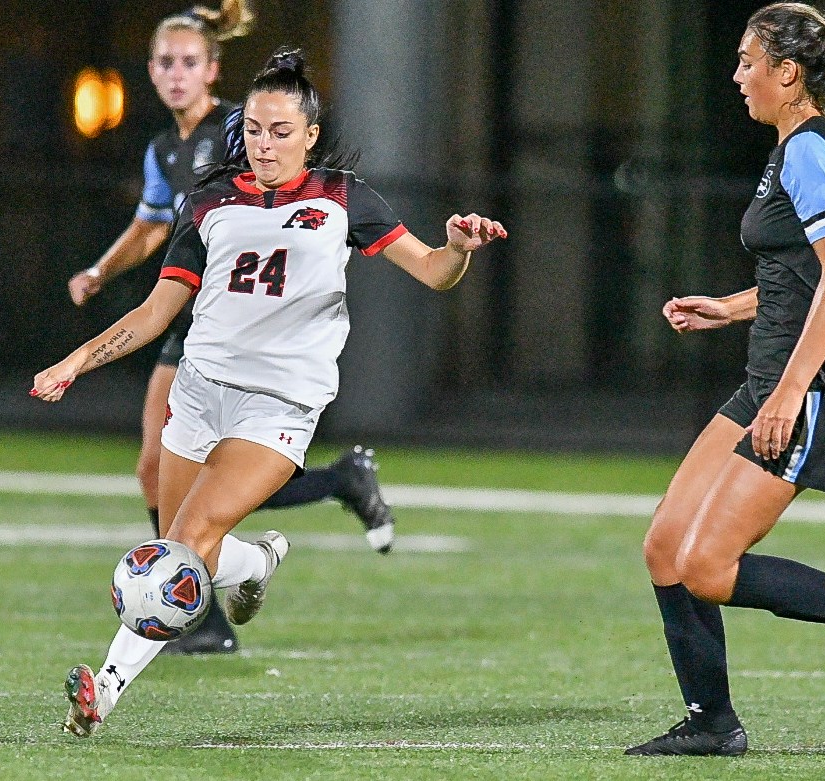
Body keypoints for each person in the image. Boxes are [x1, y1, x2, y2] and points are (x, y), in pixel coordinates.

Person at [33, 47, 505, 737]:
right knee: (186, 543)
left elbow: (433, 271)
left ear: (310, 134)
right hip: (199, 392)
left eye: (281, 131)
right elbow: (157, 313)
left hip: (279, 404)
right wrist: (76, 362)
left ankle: (102, 692)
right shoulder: (210, 202)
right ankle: (255, 562)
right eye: (253, 129)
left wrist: (457, 247)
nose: (264, 143)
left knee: (183, 545)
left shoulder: (342, 197)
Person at [627, 3, 825, 757]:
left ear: (788, 74)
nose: (737, 77)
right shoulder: (795, 145)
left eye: (748, 62)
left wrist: (790, 393)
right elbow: (800, 278)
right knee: (666, 546)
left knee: (705, 565)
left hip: (809, 389)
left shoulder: (809, 149)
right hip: (769, 378)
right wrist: (728, 308)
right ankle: (712, 722)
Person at [67, 2, 396, 656]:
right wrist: (102, 270)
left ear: (213, 69)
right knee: (155, 469)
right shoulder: (164, 148)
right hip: (187, 322)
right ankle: (205, 602)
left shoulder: (237, 130)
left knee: (214, 482)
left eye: (189, 62)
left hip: (239, 332)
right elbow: (152, 225)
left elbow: (285, 189)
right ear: (150, 71)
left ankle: (201, 609)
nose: (176, 74)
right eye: (165, 62)